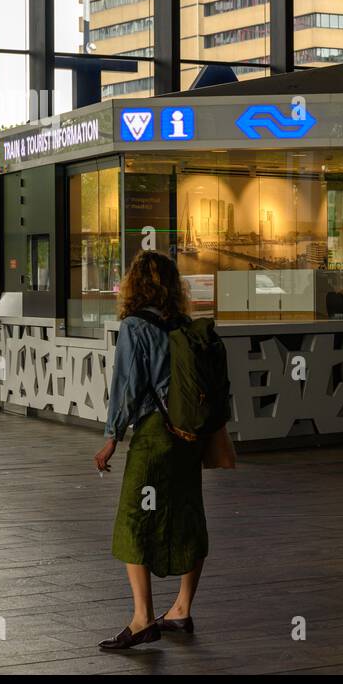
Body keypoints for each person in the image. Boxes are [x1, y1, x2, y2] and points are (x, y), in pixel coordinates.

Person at [94, 251, 211, 650]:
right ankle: (180, 608)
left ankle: (143, 618)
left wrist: (112, 436)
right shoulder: (186, 325)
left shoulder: (135, 327)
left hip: (154, 437)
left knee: (134, 518)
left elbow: (127, 386)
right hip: (188, 437)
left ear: (134, 283)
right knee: (188, 514)